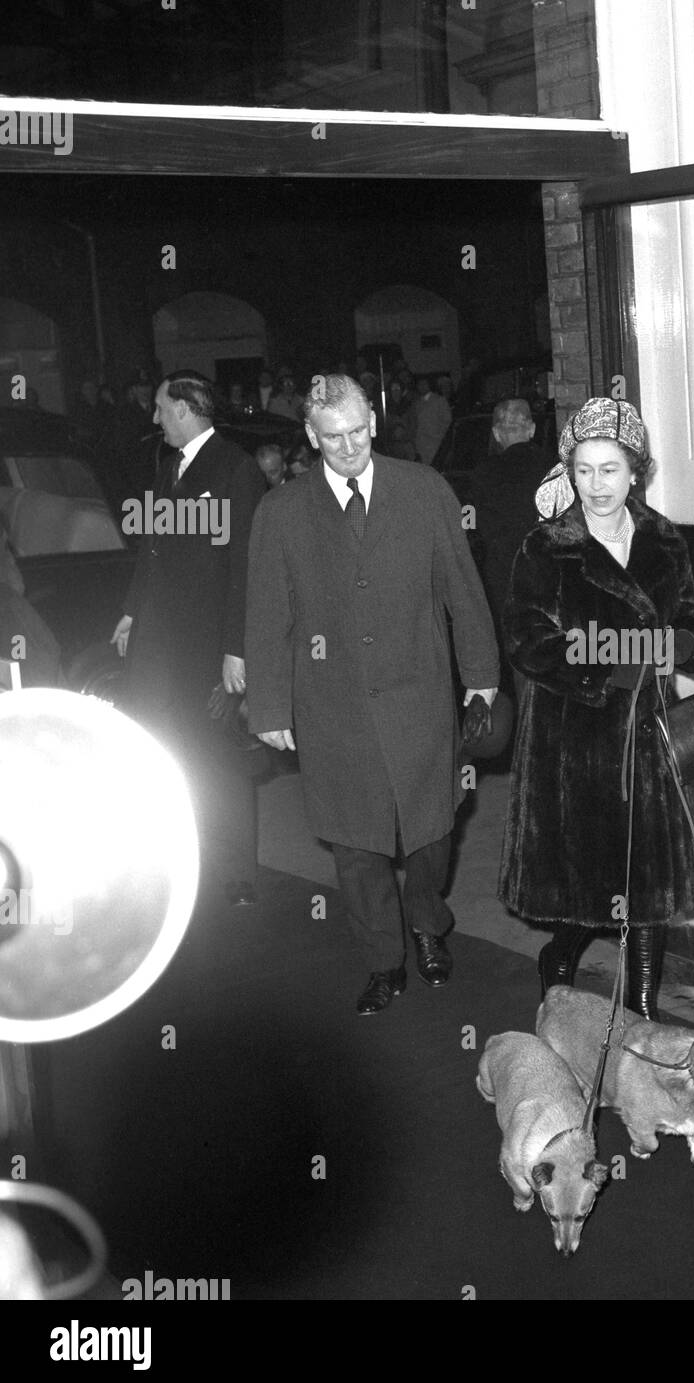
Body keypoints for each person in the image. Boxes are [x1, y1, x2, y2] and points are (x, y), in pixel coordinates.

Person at [245, 374, 500, 1016]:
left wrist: (483, 675)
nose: (350, 446)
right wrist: (270, 706)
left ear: (374, 424)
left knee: (430, 832)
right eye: (333, 438)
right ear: (310, 435)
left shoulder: (425, 490)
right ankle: (384, 961)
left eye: (359, 431)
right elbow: (268, 613)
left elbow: (461, 589)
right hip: (332, 706)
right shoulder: (280, 512)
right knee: (356, 847)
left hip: (419, 695)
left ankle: (427, 924)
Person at [498, 397, 694, 1020]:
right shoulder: (547, 546)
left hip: (648, 737)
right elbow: (524, 638)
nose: (597, 486)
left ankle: (642, 1016)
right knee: (587, 886)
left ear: (636, 473)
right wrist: (612, 663)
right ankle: (560, 963)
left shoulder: (663, 540)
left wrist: (681, 644)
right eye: (585, 471)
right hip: (572, 741)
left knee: (647, 889)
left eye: (611, 471)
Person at [111, 370, 267, 909]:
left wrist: (236, 647)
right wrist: (131, 612)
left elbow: (245, 564)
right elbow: (152, 547)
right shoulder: (167, 466)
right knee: (162, 748)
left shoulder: (236, 468)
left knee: (217, 755)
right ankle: (179, 861)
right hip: (160, 637)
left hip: (208, 641)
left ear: (184, 409)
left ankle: (237, 873)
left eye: (160, 408)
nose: (154, 418)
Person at [468, 398, 550, 696]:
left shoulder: (482, 475)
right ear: (531, 429)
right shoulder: (555, 470)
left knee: (523, 670)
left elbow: (476, 531)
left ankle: (530, 735)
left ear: (498, 434)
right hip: (552, 582)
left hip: (507, 584)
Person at [413, 375, 451, 466]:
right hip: (421, 444)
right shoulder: (416, 403)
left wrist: (440, 436)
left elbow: (447, 421)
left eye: (424, 384)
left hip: (435, 443)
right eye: (419, 384)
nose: (421, 386)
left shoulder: (440, 400)